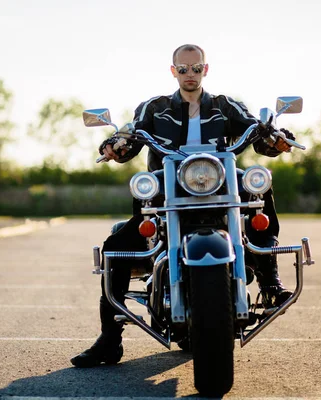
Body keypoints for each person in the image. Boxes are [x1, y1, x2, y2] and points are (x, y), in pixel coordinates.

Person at [71, 44, 296, 368]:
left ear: (206, 69)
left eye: (196, 68)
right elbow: (131, 134)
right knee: (116, 248)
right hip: (167, 191)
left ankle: (270, 281)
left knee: (256, 182)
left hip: (221, 187)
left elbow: (255, 132)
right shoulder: (154, 108)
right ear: (173, 70)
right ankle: (110, 338)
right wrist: (115, 144)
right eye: (183, 68)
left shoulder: (225, 105)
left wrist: (275, 138)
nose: (189, 74)